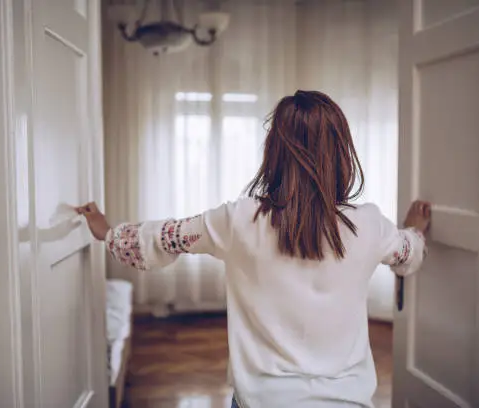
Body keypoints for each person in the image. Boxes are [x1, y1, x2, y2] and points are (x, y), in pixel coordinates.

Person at [77, 90, 430, 408]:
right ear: (340, 153)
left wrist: (108, 233)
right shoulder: (370, 225)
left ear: (273, 152)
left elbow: (162, 239)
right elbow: (409, 255)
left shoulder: (239, 219)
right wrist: (414, 227)